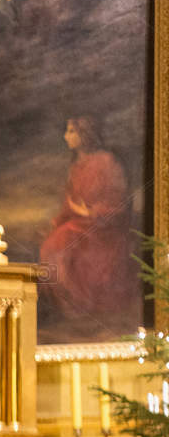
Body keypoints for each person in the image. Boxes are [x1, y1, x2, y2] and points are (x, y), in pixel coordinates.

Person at [39, 116, 136, 333]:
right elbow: (69, 204)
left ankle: (77, 306)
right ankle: (65, 305)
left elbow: (118, 203)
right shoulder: (76, 167)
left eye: (71, 131)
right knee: (52, 243)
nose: (66, 136)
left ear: (85, 134)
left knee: (58, 245)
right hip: (80, 224)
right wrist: (56, 223)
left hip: (105, 229)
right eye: (67, 131)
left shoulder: (107, 162)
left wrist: (91, 212)